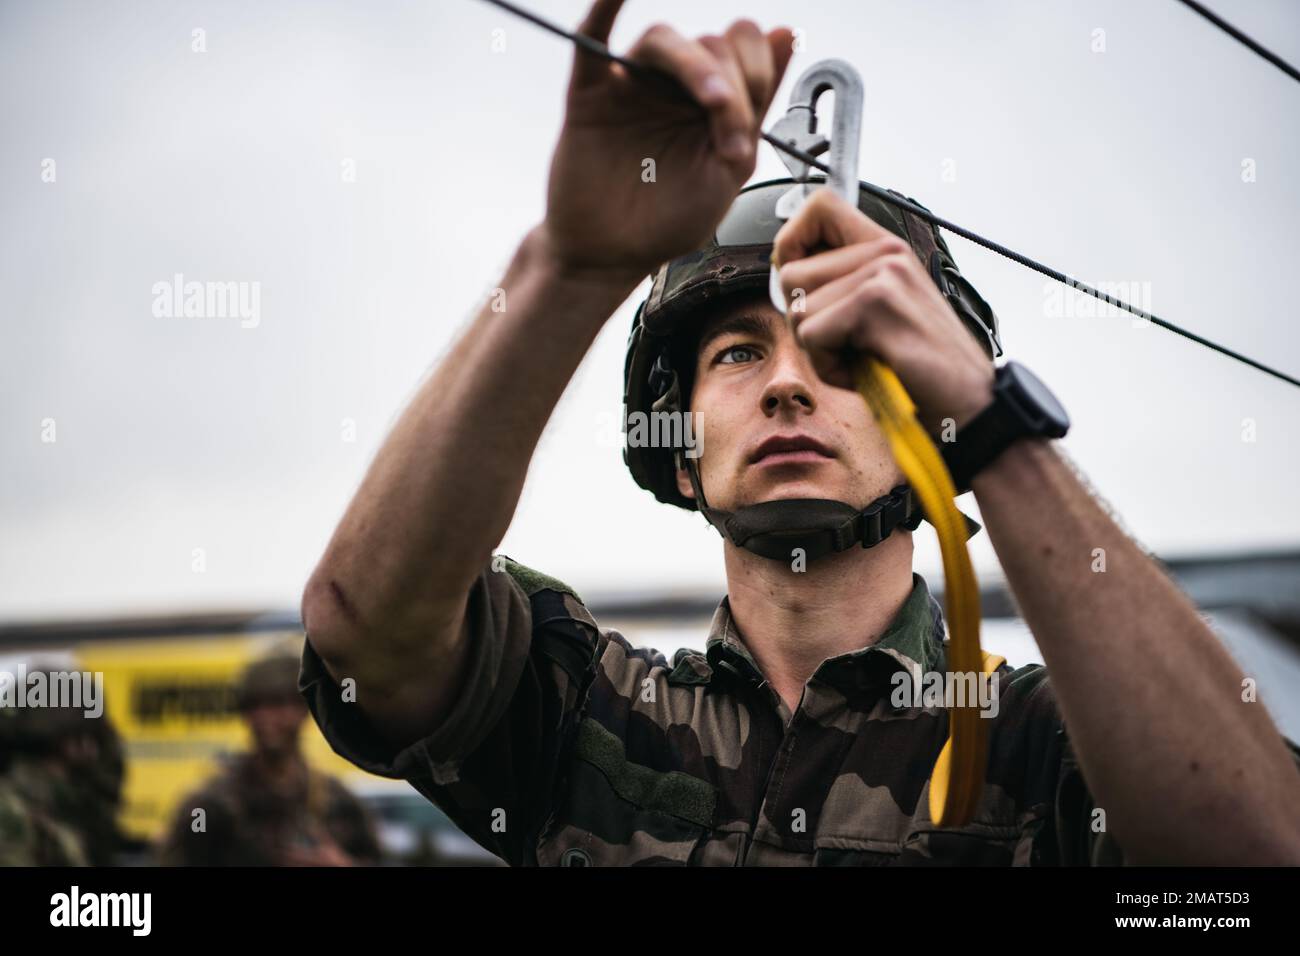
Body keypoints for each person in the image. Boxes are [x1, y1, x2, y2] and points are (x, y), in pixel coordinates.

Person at [296, 0, 1300, 865]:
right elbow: (363, 628)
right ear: (681, 453)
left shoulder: (1044, 740)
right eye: (736, 352)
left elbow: (1258, 846)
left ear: (925, 428)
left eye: (842, 352)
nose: (786, 381)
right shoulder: (588, 716)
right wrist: (569, 264)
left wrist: (988, 418)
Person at [158, 652, 381, 866]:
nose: (265, 718)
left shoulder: (338, 802)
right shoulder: (212, 805)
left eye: (279, 704)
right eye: (255, 706)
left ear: (304, 710)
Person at [0, 666, 124, 867]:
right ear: (72, 742)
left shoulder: (64, 811)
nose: (95, 750)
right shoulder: (16, 815)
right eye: (91, 736)